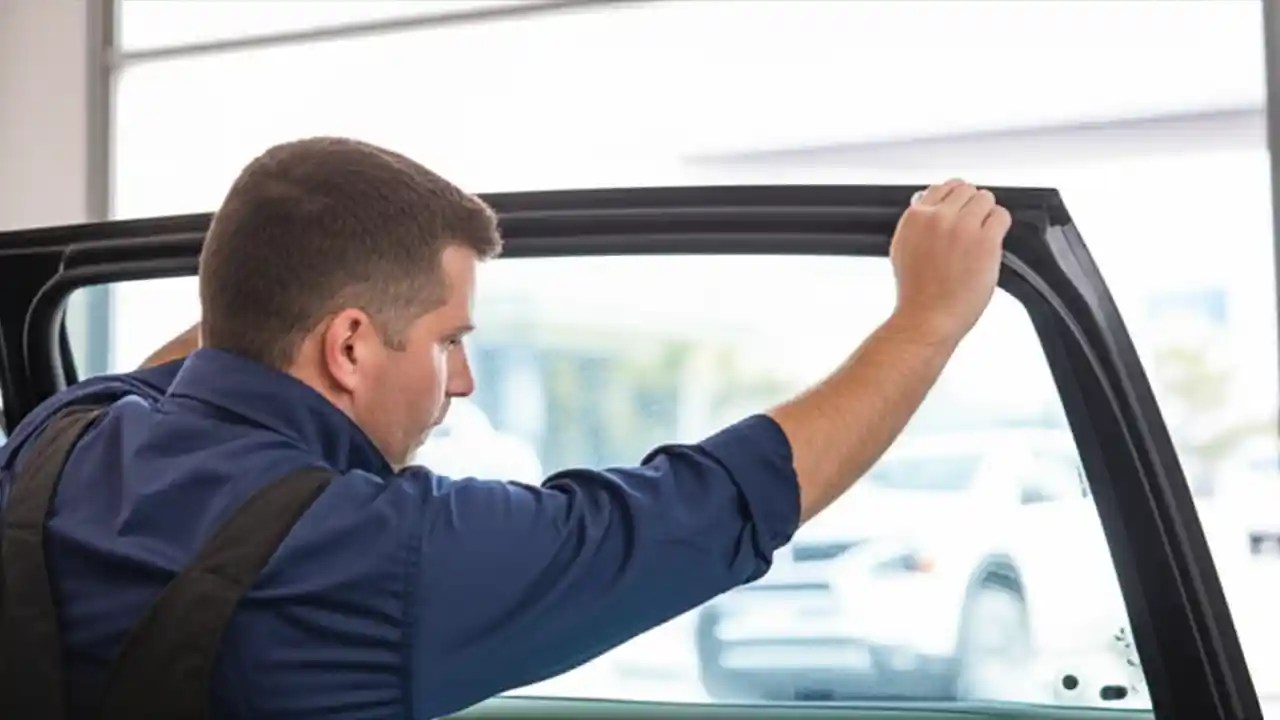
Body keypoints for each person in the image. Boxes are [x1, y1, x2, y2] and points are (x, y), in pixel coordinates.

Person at [0, 137, 1011, 719]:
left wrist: (326, 237)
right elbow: (713, 503)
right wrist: (928, 319)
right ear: (349, 347)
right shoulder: (380, 559)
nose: (465, 379)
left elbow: (230, 335)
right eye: (447, 338)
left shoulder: (61, 435)